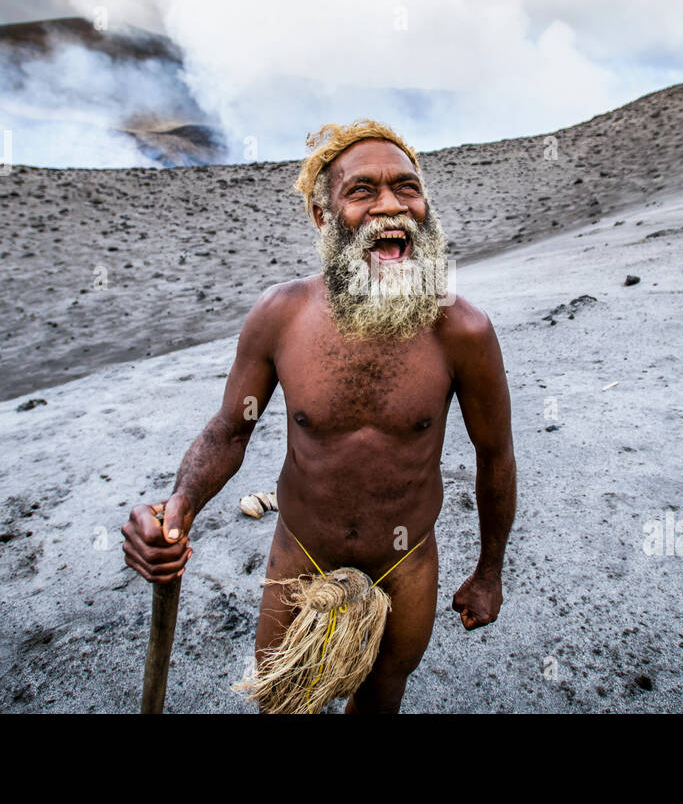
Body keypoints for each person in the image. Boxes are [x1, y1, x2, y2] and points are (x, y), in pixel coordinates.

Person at [122, 119, 517, 713]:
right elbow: (231, 429)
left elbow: (496, 457)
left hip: (404, 560)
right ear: (321, 214)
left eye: (407, 188)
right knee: (283, 702)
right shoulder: (281, 315)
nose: (392, 207)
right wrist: (181, 504)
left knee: (382, 698)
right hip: (301, 550)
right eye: (361, 191)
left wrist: (489, 571)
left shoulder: (463, 330)